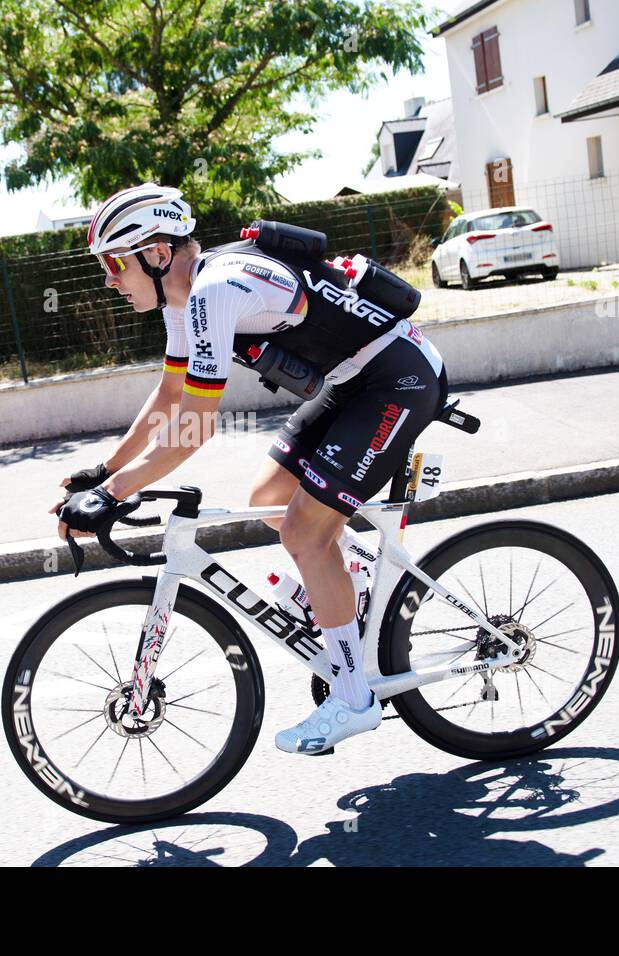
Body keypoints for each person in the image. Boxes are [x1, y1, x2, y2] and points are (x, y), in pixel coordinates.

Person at [52, 183, 446, 755]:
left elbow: (195, 424)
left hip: (396, 381)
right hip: (351, 382)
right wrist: (102, 472)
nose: (109, 279)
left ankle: (354, 698)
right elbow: (169, 393)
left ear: (158, 255)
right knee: (270, 500)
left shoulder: (214, 290)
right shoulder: (183, 300)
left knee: (303, 534)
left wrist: (116, 493)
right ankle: (355, 579)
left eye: (115, 264)